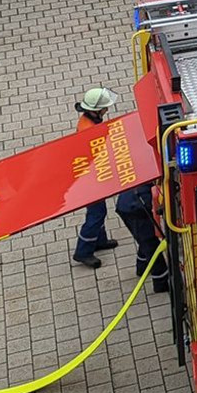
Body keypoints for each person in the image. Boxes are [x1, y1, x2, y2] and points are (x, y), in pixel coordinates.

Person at [71, 88, 123, 269]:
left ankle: (99, 240)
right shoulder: (88, 129)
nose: (107, 110)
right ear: (96, 110)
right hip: (90, 177)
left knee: (98, 211)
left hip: (92, 174)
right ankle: (83, 252)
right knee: (96, 213)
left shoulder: (89, 120)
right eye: (105, 108)